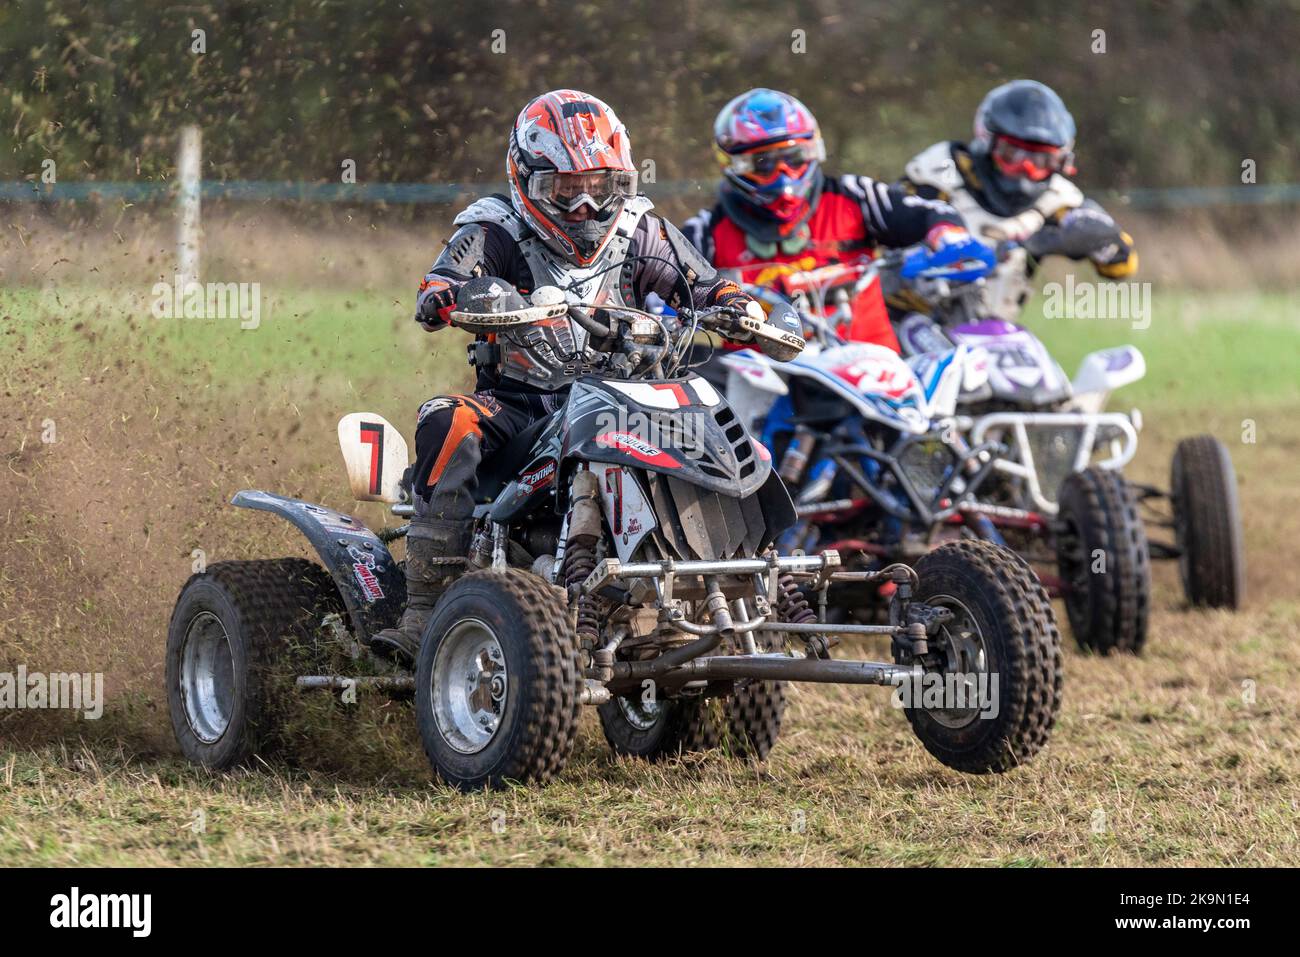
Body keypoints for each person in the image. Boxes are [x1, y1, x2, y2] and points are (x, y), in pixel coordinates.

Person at [372, 89, 799, 662]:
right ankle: (425, 607)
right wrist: (460, 294)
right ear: (526, 180)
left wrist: (736, 307)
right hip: (521, 406)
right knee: (446, 419)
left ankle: (740, 577)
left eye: (602, 189)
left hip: (623, 400)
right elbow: (441, 284)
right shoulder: (495, 226)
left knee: (713, 418)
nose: (585, 208)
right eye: (564, 191)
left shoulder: (641, 229)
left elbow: (703, 283)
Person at [683, 88, 978, 351]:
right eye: (765, 163)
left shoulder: (855, 196)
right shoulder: (706, 230)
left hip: (870, 368)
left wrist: (945, 234)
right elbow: (660, 272)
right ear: (733, 164)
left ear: (813, 150)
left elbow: (930, 213)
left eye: (795, 158)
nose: (784, 176)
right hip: (768, 377)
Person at [898, 79, 1138, 323]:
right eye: (1013, 154)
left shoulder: (1059, 200)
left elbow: (1122, 265)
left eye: (1042, 161)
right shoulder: (939, 176)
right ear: (987, 141)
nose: (1027, 169)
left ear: (1062, 160)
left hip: (990, 337)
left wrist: (1089, 237)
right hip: (906, 326)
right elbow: (881, 238)